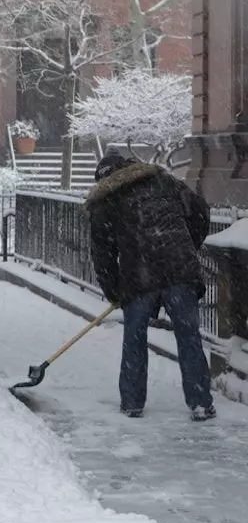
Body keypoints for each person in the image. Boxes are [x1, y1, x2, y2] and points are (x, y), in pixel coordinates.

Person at [85, 153, 214, 421]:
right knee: (189, 337)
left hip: (139, 276)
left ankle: (132, 402)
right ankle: (200, 402)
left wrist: (113, 291)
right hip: (179, 269)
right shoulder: (163, 181)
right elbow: (200, 211)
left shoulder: (105, 200)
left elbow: (103, 253)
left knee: (134, 338)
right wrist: (185, 246)